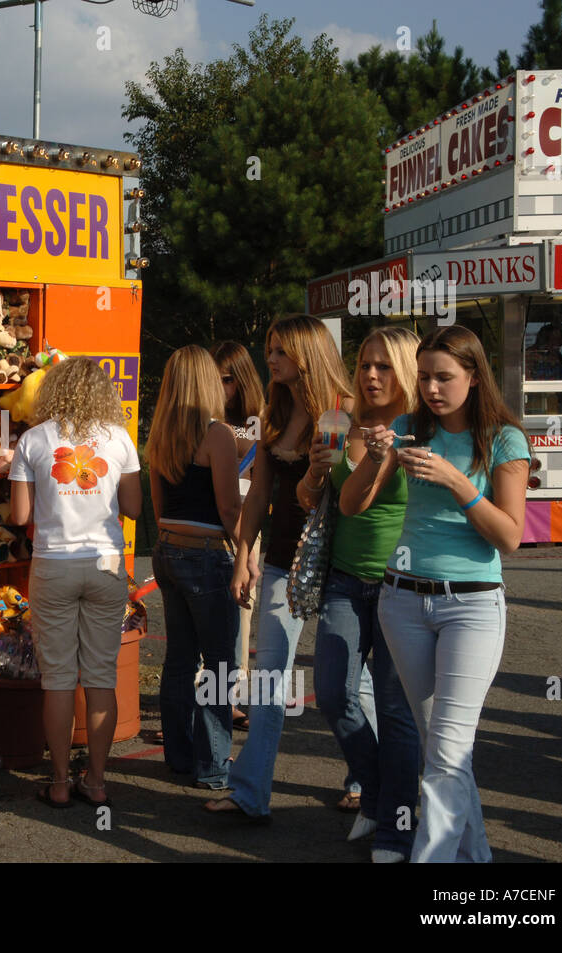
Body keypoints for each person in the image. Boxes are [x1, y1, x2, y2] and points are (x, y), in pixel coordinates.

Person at [343, 326, 530, 862]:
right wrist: (376, 457)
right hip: (402, 602)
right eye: (423, 376)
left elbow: (510, 537)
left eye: (444, 377)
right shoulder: (406, 428)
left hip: (471, 605)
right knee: (443, 751)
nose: (431, 387)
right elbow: (352, 505)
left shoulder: (503, 439)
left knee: (447, 752)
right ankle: (476, 860)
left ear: (474, 377)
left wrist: (459, 482)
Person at [207, 314, 353, 820]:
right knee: (269, 678)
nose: (269, 359)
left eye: (280, 351)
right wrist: (244, 555)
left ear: (308, 354)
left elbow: (340, 495)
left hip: (341, 564)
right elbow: (259, 495)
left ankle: (366, 776)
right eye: (269, 349)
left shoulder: (341, 412)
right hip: (280, 560)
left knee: (349, 686)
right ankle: (250, 794)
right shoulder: (273, 412)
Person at [296, 326, 421, 860]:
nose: (371, 375)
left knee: (394, 709)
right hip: (344, 581)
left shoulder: (420, 429)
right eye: (366, 364)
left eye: (385, 366)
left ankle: (395, 826)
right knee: (332, 691)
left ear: (406, 371)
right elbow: (311, 498)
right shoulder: (335, 421)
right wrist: (310, 476)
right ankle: (375, 794)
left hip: (400, 584)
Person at [9, 357, 142, 808]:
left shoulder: (32, 440)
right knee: (102, 675)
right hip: (105, 563)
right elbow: (136, 508)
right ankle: (98, 782)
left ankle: (61, 782)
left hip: (54, 564)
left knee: (59, 679)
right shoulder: (119, 439)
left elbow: (21, 517)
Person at [146, 346, 243, 789]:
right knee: (221, 662)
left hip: (167, 549)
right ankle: (214, 766)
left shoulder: (159, 434)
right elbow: (228, 507)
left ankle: (180, 757)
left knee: (180, 659)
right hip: (206, 554)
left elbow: (158, 506)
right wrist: (248, 549)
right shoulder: (217, 434)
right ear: (207, 383)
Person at [212, 340, 265, 729]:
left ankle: (229, 699)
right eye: (214, 379)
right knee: (205, 613)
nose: (220, 387)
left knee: (239, 614)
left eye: (226, 380)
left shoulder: (261, 418)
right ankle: (203, 704)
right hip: (208, 520)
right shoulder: (205, 415)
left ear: (241, 379)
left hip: (247, 523)